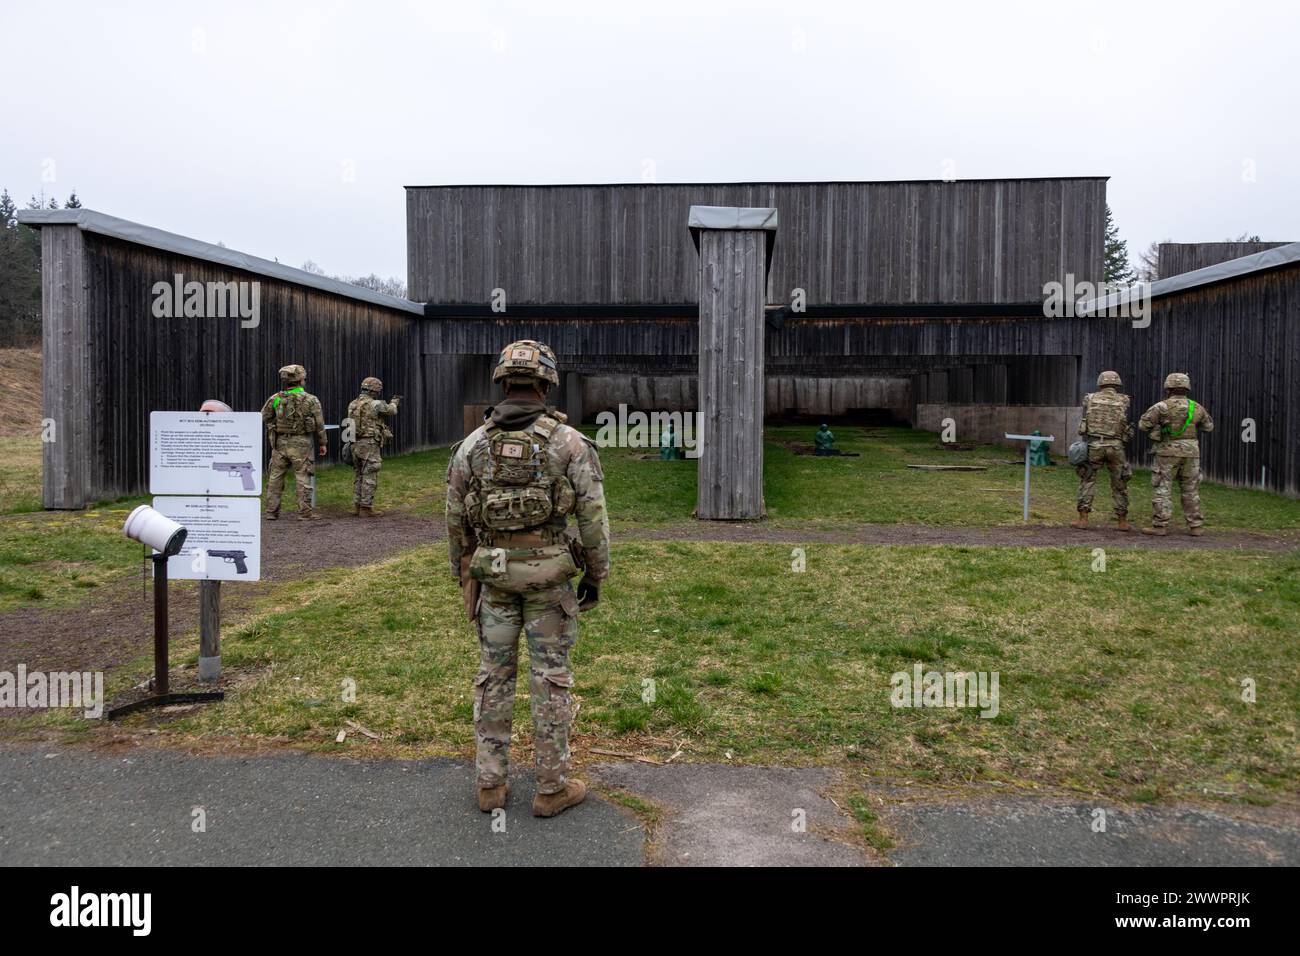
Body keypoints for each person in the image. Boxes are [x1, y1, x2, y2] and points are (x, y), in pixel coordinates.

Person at [445, 340, 610, 818]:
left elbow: (454, 518)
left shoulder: (471, 446)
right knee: (550, 680)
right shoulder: (569, 443)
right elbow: (593, 520)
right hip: (548, 584)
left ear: (501, 381)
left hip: (493, 581)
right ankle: (551, 788)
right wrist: (597, 575)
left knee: (493, 676)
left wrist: (462, 572)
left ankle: (490, 784)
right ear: (546, 383)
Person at [1138, 372, 1214, 536]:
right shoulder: (1197, 407)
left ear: (1168, 388)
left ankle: (1160, 526)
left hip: (1167, 451)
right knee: (1190, 489)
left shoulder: (1161, 407)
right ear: (1187, 388)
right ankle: (1196, 526)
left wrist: (1159, 428)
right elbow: (1208, 427)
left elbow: (1143, 425)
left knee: (1163, 487)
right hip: (1191, 452)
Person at [260, 364, 326, 520]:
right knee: (303, 477)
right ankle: (305, 513)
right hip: (301, 444)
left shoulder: (276, 399)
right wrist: (323, 442)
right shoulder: (311, 400)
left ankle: (271, 512)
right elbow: (319, 424)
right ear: (301, 380)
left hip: (279, 443)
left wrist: (273, 426)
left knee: (275, 477)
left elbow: (263, 416)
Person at [1070, 371, 1133, 531]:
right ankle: (1122, 522)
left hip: (1095, 445)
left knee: (1088, 480)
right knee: (1119, 483)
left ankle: (1083, 520)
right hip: (1116, 446)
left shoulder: (1089, 398)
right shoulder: (1124, 399)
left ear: (1100, 383)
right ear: (1117, 383)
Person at [346, 376, 400, 517]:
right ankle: (366, 508)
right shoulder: (375, 404)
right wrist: (394, 402)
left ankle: (357, 506)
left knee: (359, 475)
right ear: (375, 391)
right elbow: (391, 411)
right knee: (370, 475)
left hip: (354, 443)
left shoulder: (352, 404)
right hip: (369, 443)